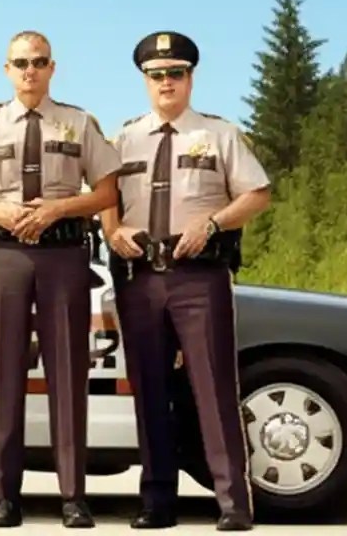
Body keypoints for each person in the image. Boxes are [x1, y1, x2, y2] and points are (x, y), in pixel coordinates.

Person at [0, 30, 120, 529]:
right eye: (20, 63)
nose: (29, 71)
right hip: (3, 256)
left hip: (63, 254)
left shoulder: (79, 123)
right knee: (4, 377)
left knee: (68, 376)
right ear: (6, 69)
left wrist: (61, 206)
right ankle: (6, 496)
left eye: (38, 62)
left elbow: (107, 191)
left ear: (52, 68)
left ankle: (72, 495)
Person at [100, 31, 271, 532]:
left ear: (190, 78)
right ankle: (156, 501)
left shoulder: (219, 134)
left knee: (213, 388)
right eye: (156, 76)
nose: (166, 83)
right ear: (144, 81)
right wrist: (113, 229)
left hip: (199, 276)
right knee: (149, 388)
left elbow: (256, 194)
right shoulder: (123, 138)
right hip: (139, 279)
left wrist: (214, 223)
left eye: (175, 73)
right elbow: (104, 195)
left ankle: (234, 505)